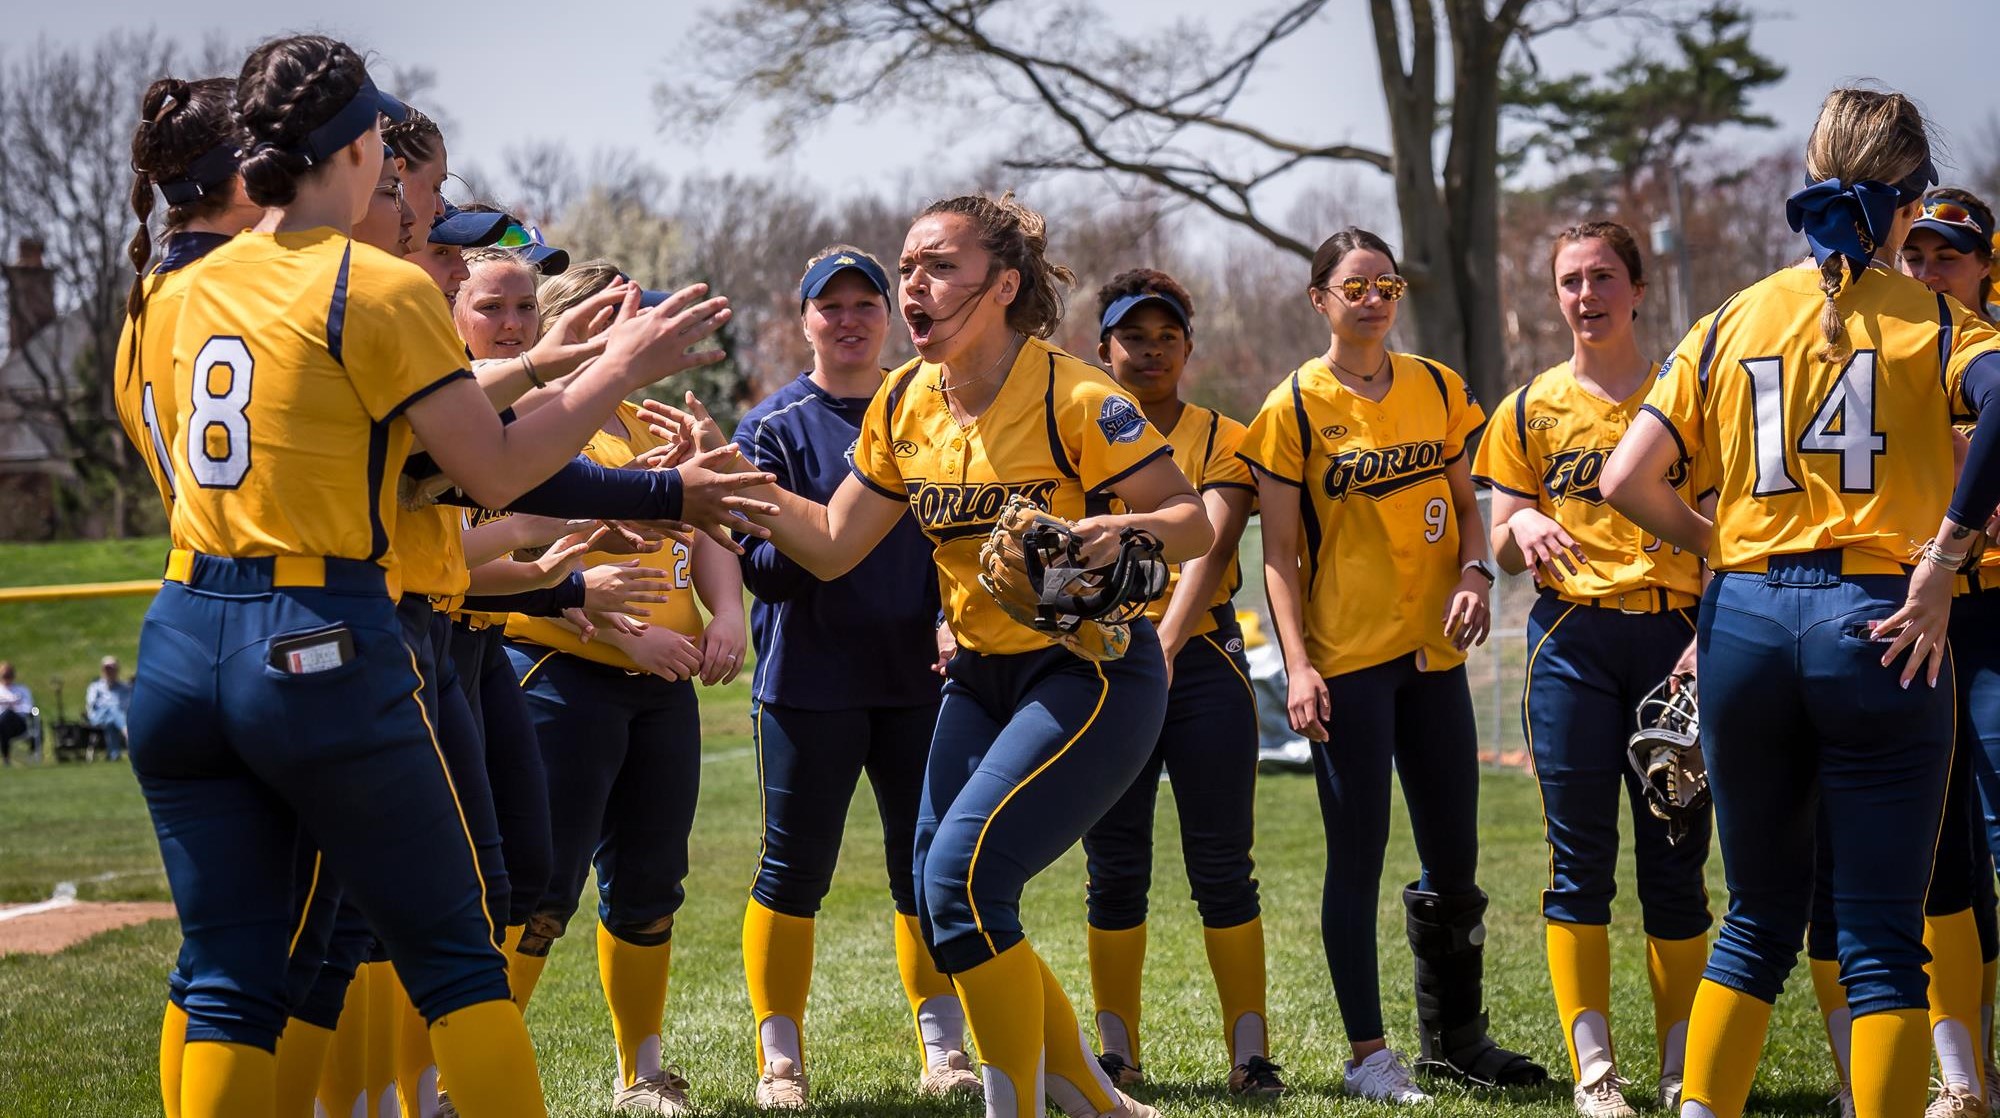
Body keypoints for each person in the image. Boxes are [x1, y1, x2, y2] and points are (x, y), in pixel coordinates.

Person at [124, 33, 734, 1116]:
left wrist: (552, 372)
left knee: (228, 982)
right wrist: (619, 371)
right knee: (458, 957)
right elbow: (489, 468)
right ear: (362, 148)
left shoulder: (182, 285)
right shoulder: (372, 285)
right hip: (315, 633)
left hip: (179, 634)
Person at [729, 192, 1212, 1118]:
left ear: (1004, 286)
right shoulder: (904, 399)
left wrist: (1122, 528)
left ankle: (1022, 1101)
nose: (914, 284)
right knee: (941, 893)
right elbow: (830, 543)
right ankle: (1093, 1097)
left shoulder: (1076, 395)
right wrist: (732, 487)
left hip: (1089, 672)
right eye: (908, 266)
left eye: (940, 266)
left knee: (959, 883)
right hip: (979, 679)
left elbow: (1190, 523)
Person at [1602, 86, 2000, 1118]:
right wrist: (1944, 558)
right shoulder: (1931, 318)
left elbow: (1623, 479)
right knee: (1880, 939)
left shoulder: (1731, 315)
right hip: (1877, 624)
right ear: (1907, 199)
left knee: (1753, 922)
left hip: (1744, 620)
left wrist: (1724, 551)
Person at [1243, 226, 1544, 1102]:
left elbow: (1470, 507)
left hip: (1435, 655)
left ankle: (1455, 1041)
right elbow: (1278, 556)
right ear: (1320, 300)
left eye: (1387, 285)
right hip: (1348, 664)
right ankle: (1369, 1057)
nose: (1374, 300)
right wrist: (1299, 666)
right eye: (1355, 286)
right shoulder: (1292, 407)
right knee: (1358, 855)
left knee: (1455, 854)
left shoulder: (1439, 388)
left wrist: (1477, 574)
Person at [498, 258, 752, 1116]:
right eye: (619, 318)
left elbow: (707, 521)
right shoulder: (535, 418)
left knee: (651, 886)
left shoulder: (648, 418)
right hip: (559, 673)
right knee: (539, 890)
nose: (640, 334)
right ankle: (468, 1077)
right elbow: (519, 554)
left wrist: (726, 612)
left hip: (659, 690)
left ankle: (641, 1074)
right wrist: (624, 635)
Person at [730, 244, 979, 1108]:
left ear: (890, 315)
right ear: (803, 320)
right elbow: (765, 570)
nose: (848, 320)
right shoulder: (771, 428)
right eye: (829, 306)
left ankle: (944, 1050)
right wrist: (830, 532)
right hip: (809, 686)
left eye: (864, 304)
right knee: (792, 871)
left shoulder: (934, 408)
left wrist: (952, 612)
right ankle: (780, 1061)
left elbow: (963, 536)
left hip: (922, 683)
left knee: (927, 868)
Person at [1472, 222, 1713, 1117]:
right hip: (1570, 643)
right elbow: (1500, 546)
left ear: (1638, 289)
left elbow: (1726, 530)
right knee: (1578, 863)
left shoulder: (1688, 395)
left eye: (1604, 276)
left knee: (1676, 859)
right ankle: (1596, 1072)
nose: (1587, 295)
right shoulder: (1527, 408)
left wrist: (1711, 635)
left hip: (1674, 641)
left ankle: (1682, 1067)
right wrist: (1521, 524)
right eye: (1570, 280)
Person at [1074, 268, 1283, 1098]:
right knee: (1114, 864)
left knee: (1223, 863)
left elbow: (1213, 544)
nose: (1151, 351)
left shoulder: (1224, 436)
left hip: (1200, 661)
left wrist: (1161, 644)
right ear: (1103, 349)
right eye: (1133, 336)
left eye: (1167, 337)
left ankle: (1251, 1055)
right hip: (1103, 656)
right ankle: (1116, 1054)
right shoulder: (1078, 430)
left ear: (1189, 348)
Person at [86, 656, 135, 761]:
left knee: (110, 721)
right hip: (98, 716)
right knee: (112, 708)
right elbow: (91, 705)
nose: (109, 672)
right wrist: (108, 705)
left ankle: (114, 755)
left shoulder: (124, 688)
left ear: (117, 670)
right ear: (102, 670)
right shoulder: (96, 687)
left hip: (116, 717)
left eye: (112, 669)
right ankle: (126, 732)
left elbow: (128, 705)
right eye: (107, 669)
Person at [0, 661, 30, 767]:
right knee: (3, 720)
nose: (7, 678)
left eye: (9, 675)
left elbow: (28, 708)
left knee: (8, 714)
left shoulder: (22, 690)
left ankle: (6, 758)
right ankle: (6, 758)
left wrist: (12, 707)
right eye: (4, 675)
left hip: (18, 724)